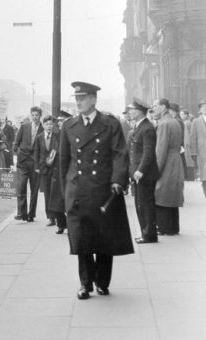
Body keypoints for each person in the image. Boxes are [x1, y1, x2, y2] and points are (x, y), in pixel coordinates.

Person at [60, 82, 133, 300]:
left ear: (93, 99)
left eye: (82, 98)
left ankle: (102, 281)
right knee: (80, 239)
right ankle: (85, 284)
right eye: (77, 98)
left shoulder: (110, 124)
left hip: (103, 190)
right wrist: (66, 192)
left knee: (104, 238)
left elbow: (120, 154)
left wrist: (118, 180)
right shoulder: (69, 126)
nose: (78, 102)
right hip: (79, 191)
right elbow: (64, 162)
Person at [126, 98, 159, 244]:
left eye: (132, 110)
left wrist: (140, 170)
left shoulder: (147, 128)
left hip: (144, 174)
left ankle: (149, 235)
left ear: (140, 111)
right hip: (139, 174)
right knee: (141, 204)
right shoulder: (140, 127)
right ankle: (145, 233)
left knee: (145, 205)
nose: (130, 112)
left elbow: (148, 152)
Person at [151, 98, 184, 235]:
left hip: (167, 161)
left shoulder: (164, 124)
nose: (153, 109)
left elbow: (161, 149)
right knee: (172, 194)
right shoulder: (174, 121)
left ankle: (164, 227)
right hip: (176, 160)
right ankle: (173, 227)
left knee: (162, 193)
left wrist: (155, 171)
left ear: (163, 107)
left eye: (155, 106)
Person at [13, 106, 43, 222]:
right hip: (23, 162)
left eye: (37, 115)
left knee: (34, 190)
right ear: (31, 115)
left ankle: (31, 214)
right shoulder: (24, 126)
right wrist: (18, 152)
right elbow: (16, 142)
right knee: (21, 187)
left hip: (35, 164)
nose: (35, 117)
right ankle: (21, 213)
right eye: (33, 115)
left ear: (40, 115)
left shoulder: (43, 129)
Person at [33, 115, 59, 227]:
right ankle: (50, 217)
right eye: (47, 124)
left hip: (55, 168)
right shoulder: (39, 137)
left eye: (51, 124)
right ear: (43, 125)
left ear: (53, 126)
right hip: (44, 169)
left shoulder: (57, 136)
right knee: (47, 194)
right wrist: (37, 167)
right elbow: (36, 153)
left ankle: (58, 216)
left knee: (55, 193)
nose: (49, 126)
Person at [192, 99, 206, 194]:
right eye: (203, 107)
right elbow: (193, 138)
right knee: (204, 177)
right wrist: (194, 153)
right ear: (200, 110)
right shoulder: (196, 122)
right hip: (202, 154)